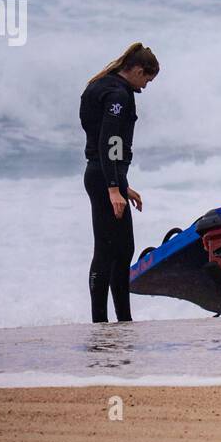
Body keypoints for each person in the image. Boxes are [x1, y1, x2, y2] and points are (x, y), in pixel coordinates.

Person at [79, 42, 160, 322]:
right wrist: (114, 187)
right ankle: (102, 321)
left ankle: (121, 320)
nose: (146, 85)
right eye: (147, 78)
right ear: (137, 70)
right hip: (105, 178)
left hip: (102, 174)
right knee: (108, 251)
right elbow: (109, 140)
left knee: (120, 249)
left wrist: (122, 185)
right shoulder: (118, 94)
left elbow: (99, 139)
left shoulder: (100, 85)